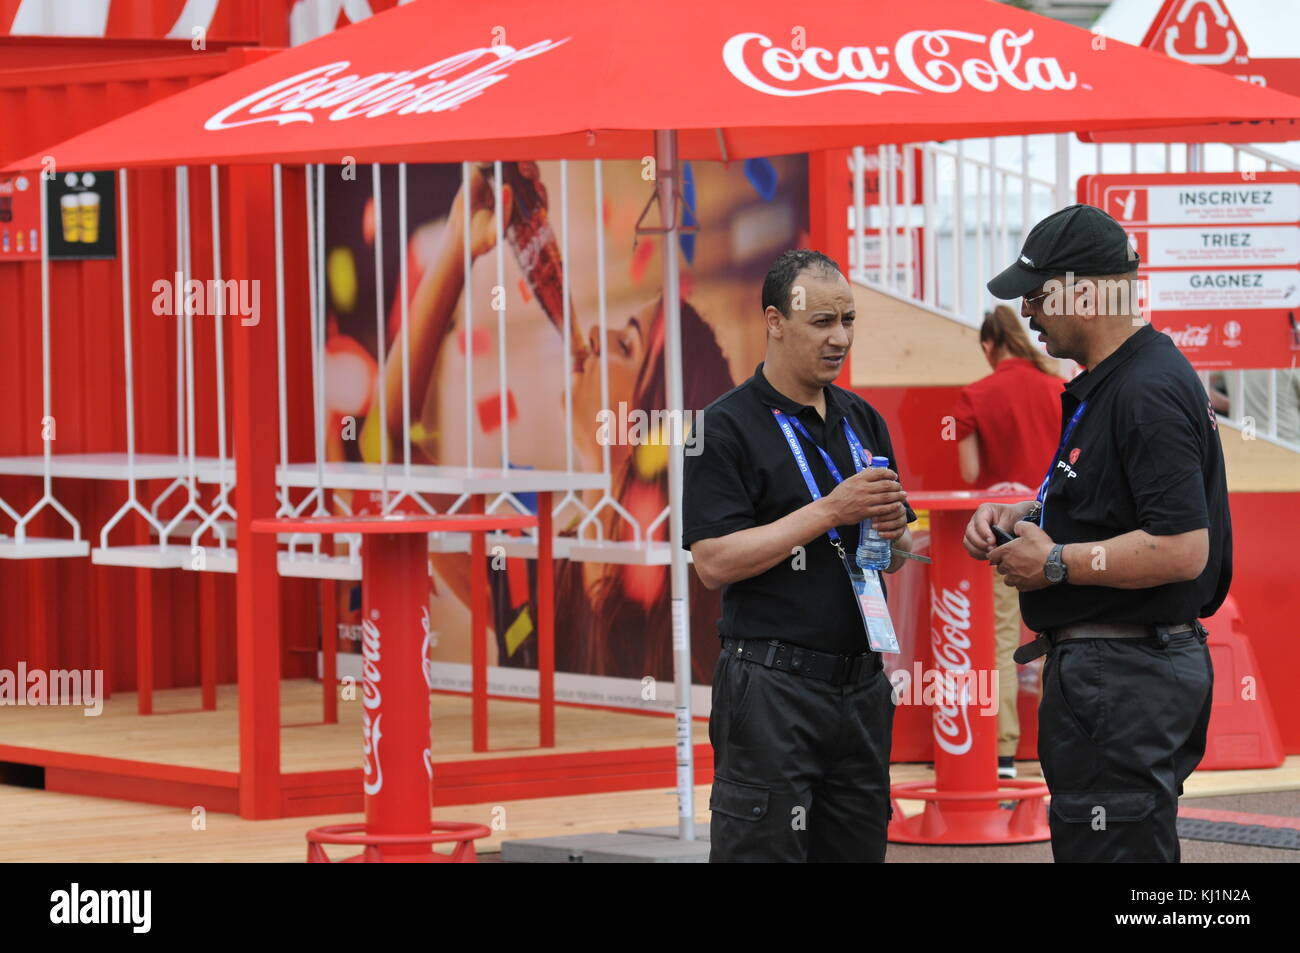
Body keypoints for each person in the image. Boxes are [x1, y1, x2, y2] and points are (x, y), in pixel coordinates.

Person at [964, 204, 1232, 863]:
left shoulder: (1145, 388)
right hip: (1118, 673)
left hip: (1126, 676)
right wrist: (1025, 517)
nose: (1028, 314)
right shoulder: (1119, 383)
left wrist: (1056, 561)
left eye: (1037, 295)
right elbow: (1117, 509)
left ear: (1084, 292)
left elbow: (1182, 548)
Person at [683, 249, 916, 863]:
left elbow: (896, 555)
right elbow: (713, 562)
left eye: (848, 320)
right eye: (822, 323)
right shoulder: (723, 427)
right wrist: (830, 512)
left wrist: (894, 536)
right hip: (771, 686)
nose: (840, 338)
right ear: (775, 320)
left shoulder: (861, 418)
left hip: (861, 686)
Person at [952, 304, 1064, 779]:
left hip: (1001, 533)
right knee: (1061, 637)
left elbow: (970, 474)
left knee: (1000, 642)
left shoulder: (974, 394)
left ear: (988, 346)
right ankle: (1058, 749)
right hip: (1059, 530)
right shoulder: (1060, 388)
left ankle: (1003, 754)